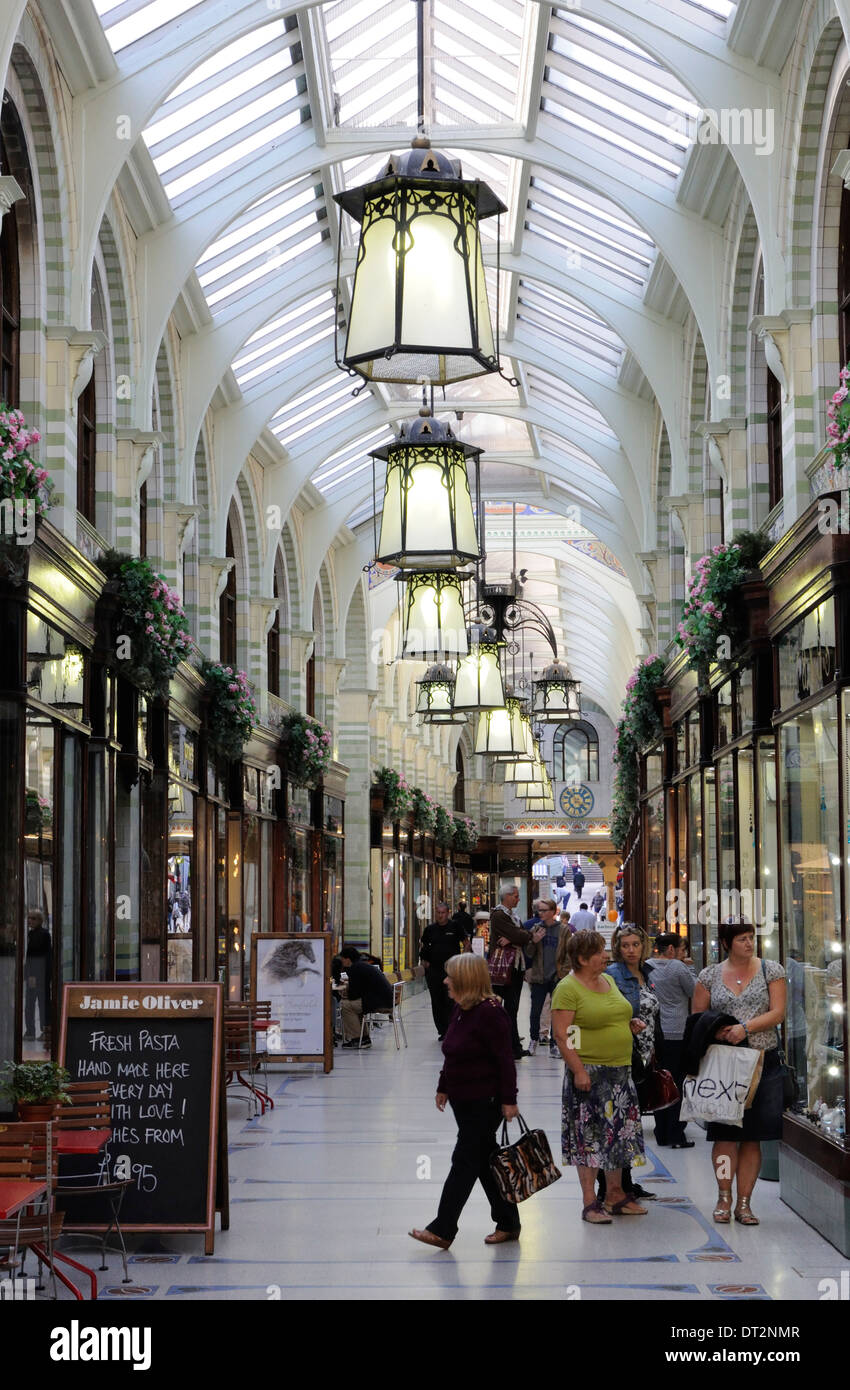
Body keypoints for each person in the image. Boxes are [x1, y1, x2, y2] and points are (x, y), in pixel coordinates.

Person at [409, 954, 520, 1249]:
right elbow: (452, 1052)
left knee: (464, 1161)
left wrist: (509, 1100)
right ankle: (509, 1222)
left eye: (450, 976)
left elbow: (505, 1061)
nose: (445, 981)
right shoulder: (461, 1008)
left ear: (466, 979)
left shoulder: (491, 1013)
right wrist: (443, 1086)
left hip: (485, 1101)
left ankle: (443, 1228)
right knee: (485, 1162)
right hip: (463, 1100)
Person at [692, 921, 787, 1225]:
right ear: (726, 943)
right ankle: (723, 1197)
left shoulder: (771, 970)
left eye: (751, 938)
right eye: (742, 939)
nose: (749, 943)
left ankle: (744, 1203)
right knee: (724, 1135)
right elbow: (698, 1017)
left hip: (762, 1060)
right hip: (725, 1065)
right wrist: (718, 1029)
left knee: (753, 1136)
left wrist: (745, 1028)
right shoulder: (709, 975)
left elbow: (777, 1012)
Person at [552, 930, 647, 1223]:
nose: (605, 956)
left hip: (620, 1071)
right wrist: (579, 1070)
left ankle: (615, 1194)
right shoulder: (568, 988)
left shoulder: (606, 980)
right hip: (590, 1073)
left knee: (618, 1135)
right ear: (582, 958)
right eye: (598, 952)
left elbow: (613, 1012)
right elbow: (562, 1034)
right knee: (589, 1137)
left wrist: (627, 1023)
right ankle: (590, 1201)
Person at [600, 924, 660, 1202]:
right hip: (623, 1053)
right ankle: (612, 1185)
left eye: (636, 944)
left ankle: (625, 1182)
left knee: (629, 1121)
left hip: (644, 1053)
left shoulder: (648, 973)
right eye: (625, 945)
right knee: (617, 1121)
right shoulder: (613, 975)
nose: (631, 950)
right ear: (617, 948)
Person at [650, 931, 696, 1147]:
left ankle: (661, 1131)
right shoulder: (678, 967)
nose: (683, 953)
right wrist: (690, 967)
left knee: (660, 1081)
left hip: (656, 1032)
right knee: (677, 1083)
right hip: (677, 1031)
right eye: (682, 949)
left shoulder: (647, 967)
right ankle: (676, 1133)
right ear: (671, 950)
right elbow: (694, 990)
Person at [488, 884, 531, 1059]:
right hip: (505, 968)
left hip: (515, 966)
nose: (518, 899)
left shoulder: (512, 915)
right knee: (508, 1008)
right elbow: (523, 935)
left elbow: (520, 935)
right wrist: (521, 936)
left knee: (512, 1008)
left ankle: (513, 1045)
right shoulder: (499, 915)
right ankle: (511, 1047)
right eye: (515, 896)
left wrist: (517, 936)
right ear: (506, 896)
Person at [420, 903, 469, 1040]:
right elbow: (423, 947)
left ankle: (451, 1028)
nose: (440, 915)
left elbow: (466, 943)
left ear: (448, 913)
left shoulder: (455, 926)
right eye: (438, 912)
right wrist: (425, 963)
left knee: (451, 1000)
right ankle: (442, 1030)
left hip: (451, 971)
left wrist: (462, 960)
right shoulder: (430, 929)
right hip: (434, 971)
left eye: (443, 913)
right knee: (437, 1001)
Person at [524, 899, 561, 1056]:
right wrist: (534, 941)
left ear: (553, 911)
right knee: (535, 1010)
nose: (541, 913)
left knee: (557, 1011)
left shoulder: (563, 930)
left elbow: (567, 952)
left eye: (544, 910)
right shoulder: (535, 929)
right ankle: (534, 1040)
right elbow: (528, 952)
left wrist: (563, 973)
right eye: (540, 910)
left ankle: (555, 1043)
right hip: (539, 976)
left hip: (557, 977)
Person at [338, 946, 394, 1048]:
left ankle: (356, 1039)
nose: (342, 962)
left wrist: (345, 993)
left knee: (345, 1005)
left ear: (347, 959)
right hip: (384, 1000)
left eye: (342, 959)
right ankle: (364, 1038)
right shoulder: (362, 965)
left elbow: (353, 995)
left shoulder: (355, 968)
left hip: (378, 1002)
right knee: (353, 1006)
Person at [24, 909, 52, 1041]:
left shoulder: (42, 935)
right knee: (39, 1003)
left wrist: (32, 975)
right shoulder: (33, 934)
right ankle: (37, 1030)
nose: (30, 920)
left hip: (38, 974)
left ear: (40, 920)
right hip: (37, 974)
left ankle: (36, 1031)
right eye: (29, 918)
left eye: (33, 918)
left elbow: (37, 956)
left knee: (35, 1003)